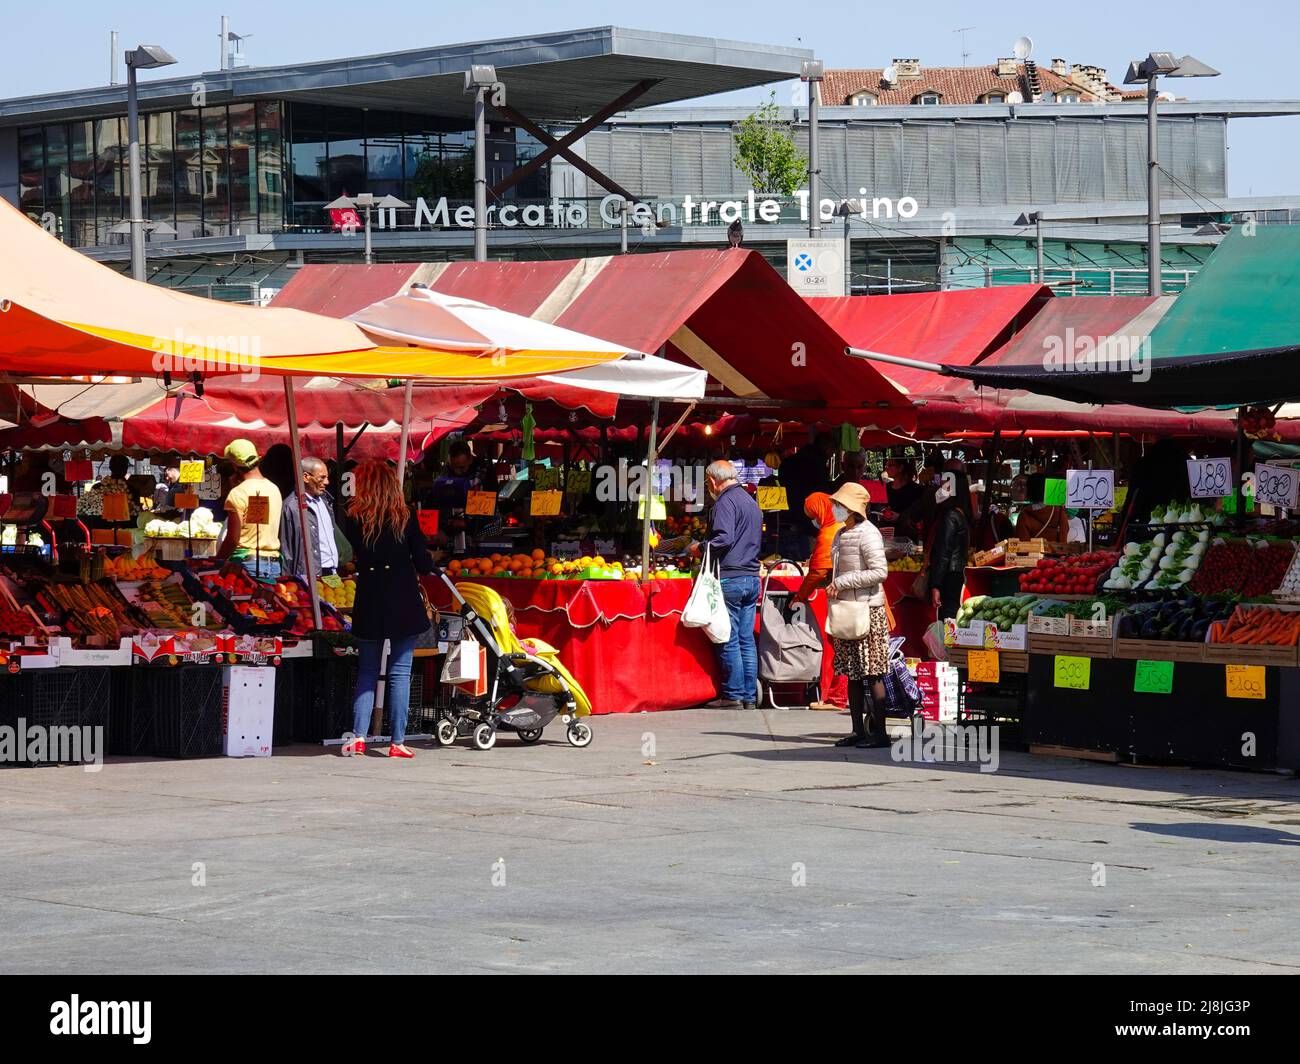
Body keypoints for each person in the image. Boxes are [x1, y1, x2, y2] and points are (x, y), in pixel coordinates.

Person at [337, 460, 435, 759]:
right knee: (400, 672)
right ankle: (398, 741)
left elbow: (345, 555)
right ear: (393, 485)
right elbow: (422, 560)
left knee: (367, 670)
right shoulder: (404, 516)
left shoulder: (353, 517)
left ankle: (358, 737)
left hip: (369, 595)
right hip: (403, 596)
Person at [825, 482, 892, 748]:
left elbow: (880, 572)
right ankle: (857, 730)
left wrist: (843, 581)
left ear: (851, 508)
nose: (835, 509)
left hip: (868, 609)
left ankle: (881, 733)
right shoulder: (840, 534)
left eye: (839, 505)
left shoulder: (869, 534)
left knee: (872, 672)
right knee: (852, 673)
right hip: (847, 609)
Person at [694, 459, 763, 709]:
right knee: (745, 638)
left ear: (712, 480)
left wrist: (699, 548)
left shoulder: (725, 501)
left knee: (729, 637)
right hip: (752, 577)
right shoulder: (750, 501)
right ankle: (748, 697)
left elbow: (723, 538)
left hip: (731, 577)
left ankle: (733, 695)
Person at [793, 492, 848, 712]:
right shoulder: (842, 525)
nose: (812, 520)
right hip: (850, 597)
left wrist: (800, 595)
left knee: (839, 647)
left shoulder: (829, 533)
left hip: (842, 600)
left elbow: (817, 572)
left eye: (812, 514)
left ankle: (837, 697)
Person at [217, 439, 283, 582]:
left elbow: (233, 538)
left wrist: (218, 560)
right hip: (274, 563)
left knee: (246, 604)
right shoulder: (274, 488)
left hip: (246, 563)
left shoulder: (238, 493)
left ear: (235, 466)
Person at [280, 457, 340, 579]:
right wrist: (287, 580)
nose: (327, 482)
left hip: (332, 572)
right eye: (322, 478)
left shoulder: (326, 501)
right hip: (309, 575)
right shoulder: (291, 506)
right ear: (306, 477)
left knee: (334, 597)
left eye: (327, 477)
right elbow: (286, 550)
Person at [778, 433, 835, 559]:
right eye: (832, 452)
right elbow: (823, 494)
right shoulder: (818, 465)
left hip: (785, 520)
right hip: (807, 526)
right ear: (827, 449)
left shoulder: (788, 462)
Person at [928, 472, 972, 621]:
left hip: (949, 576)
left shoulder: (951, 516)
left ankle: (946, 645)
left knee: (948, 618)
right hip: (958, 574)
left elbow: (943, 553)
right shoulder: (962, 515)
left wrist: (936, 585)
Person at [1015, 472, 1068, 543]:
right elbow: (1063, 539)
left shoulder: (1024, 516)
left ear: (1029, 490)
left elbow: (1022, 545)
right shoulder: (1059, 512)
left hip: (1033, 554)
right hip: (1058, 553)